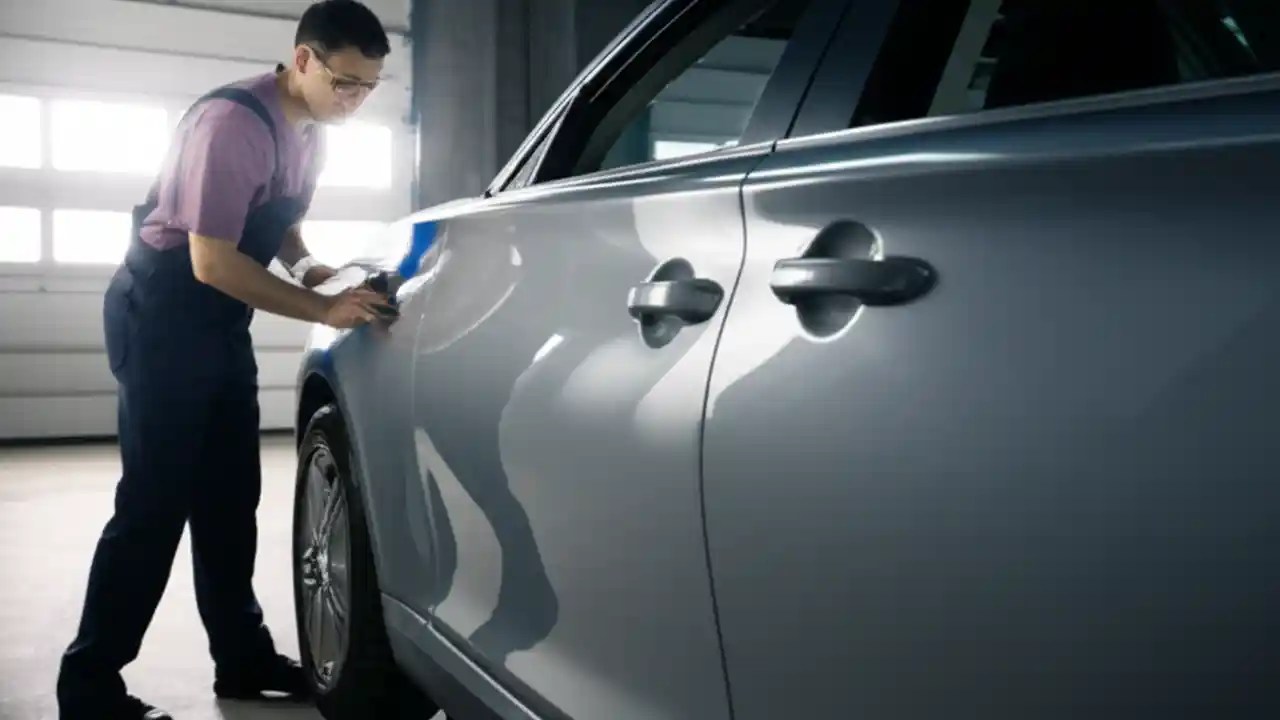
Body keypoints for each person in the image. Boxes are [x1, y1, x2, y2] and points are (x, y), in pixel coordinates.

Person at [55, 2, 394, 718]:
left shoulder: (313, 128)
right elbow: (210, 261)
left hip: (217, 324)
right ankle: (88, 685)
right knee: (153, 506)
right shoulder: (231, 124)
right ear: (303, 60)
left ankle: (241, 661)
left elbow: (278, 218)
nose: (355, 101)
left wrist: (308, 267)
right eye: (345, 83)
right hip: (162, 314)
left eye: (369, 88)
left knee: (230, 501)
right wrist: (323, 309)